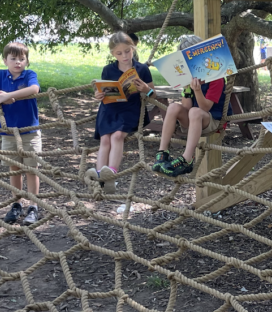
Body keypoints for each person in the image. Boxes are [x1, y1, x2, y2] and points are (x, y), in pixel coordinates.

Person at [0, 42, 41, 225]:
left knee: (31, 169)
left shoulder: (29, 75)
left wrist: (9, 95)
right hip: (8, 132)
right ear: (4, 60)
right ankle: (16, 204)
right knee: (14, 168)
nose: (18, 62)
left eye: (22, 59)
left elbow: (34, 89)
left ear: (27, 61)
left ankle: (33, 206)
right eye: (13, 59)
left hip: (29, 130)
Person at [154, 34, 227, 177]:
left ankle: (187, 159)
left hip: (213, 120)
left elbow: (205, 108)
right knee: (173, 107)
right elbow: (186, 108)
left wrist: (198, 90)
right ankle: (162, 152)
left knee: (195, 111)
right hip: (194, 120)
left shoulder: (216, 78)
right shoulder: (189, 77)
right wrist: (187, 89)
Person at [90, 32, 154, 193]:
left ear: (133, 48)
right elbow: (103, 92)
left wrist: (146, 89)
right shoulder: (108, 70)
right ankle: (99, 178)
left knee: (117, 136)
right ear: (113, 54)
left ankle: (111, 173)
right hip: (109, 108)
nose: (124, 56)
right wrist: (99, 95)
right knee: (105, 139)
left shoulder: (142, 69)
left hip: (130, 109)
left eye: (127, 51)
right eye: (119, 53)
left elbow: (153, 94)